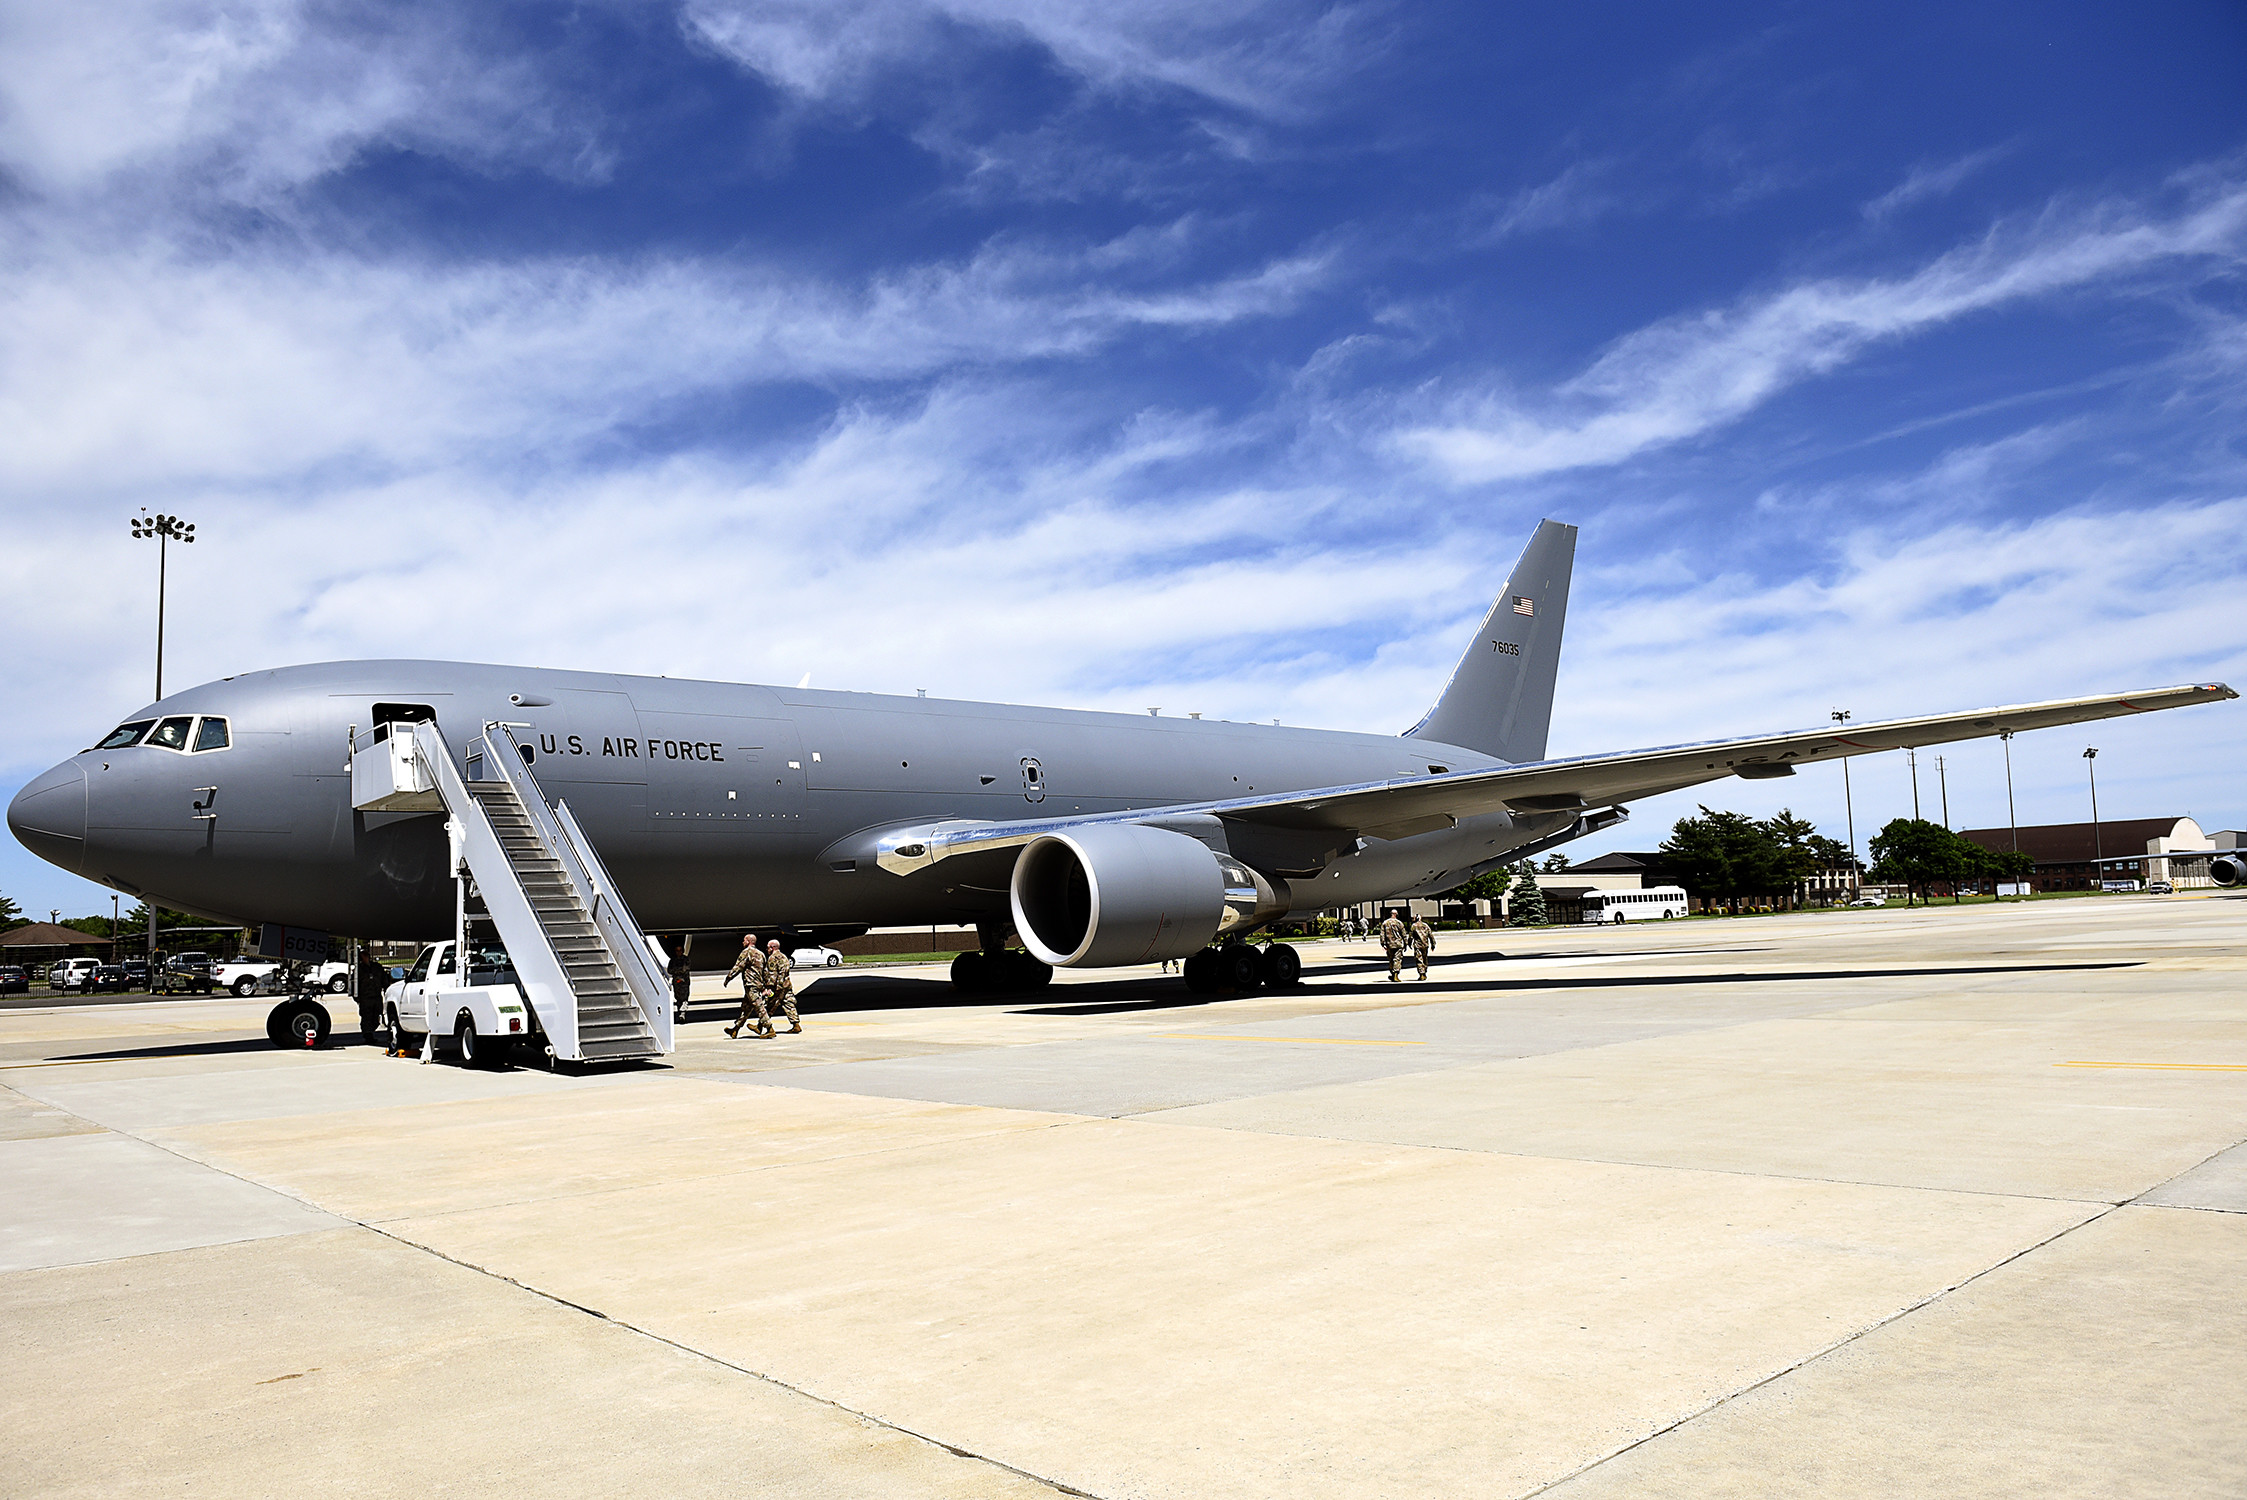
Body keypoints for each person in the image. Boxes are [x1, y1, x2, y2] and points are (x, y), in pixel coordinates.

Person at [725, 933, 770, 1038]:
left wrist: (729, 978)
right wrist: (766, 985)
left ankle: (769, 1029)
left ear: (749, 941)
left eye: (744, 940)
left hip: (751, 985)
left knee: (759, 1007)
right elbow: (765, 972)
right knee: (746, 1008)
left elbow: (738, 966)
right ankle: (735, 1029)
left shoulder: (746, 952)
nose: (743, 942)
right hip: (758, 984)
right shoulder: (761, 954)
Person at [762, 938, 802, 1034]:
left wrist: (769, 988)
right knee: (789, 1003)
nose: (767, 950)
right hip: (786, 985)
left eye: (768, 948)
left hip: (777, 987)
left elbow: (773, 975)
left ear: (772, 948)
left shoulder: (772, 958)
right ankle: (796, 1024)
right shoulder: (784, 957)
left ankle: (761, 1025)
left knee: (769, 1005)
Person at [666, 942, 693, 1023]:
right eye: (677, 950)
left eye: (680, 950)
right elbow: (669, 970)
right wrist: (678, 971)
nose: (678, 952)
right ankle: (680, 1013)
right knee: (678, 999)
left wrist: (677, 971)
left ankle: (683, 1013)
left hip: (684, 983)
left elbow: (685, 969)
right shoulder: (673, 960)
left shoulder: (686, 959)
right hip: (676, 983)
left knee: (684, 999)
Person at [1379, 909, 1407, 982]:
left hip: (1389, 944)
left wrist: (1383, 943)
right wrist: (1406, 943)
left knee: (1391, 960)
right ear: (1396, 914)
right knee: (1397, 959)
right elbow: (1404, 934)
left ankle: (1392, 973)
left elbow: (1382, 934)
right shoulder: (1399, 923)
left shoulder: (1385, 923)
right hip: (1398, 944)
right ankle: (1395, 975)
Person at [1409, 914, 1435, 980]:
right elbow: (1431, 935)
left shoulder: (1414, 926)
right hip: (1425, 945)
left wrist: (1409, 943)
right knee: (1425, 959)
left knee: (1419, 959)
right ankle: (1424, 972)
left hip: (1417, 945)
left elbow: (1410, 936)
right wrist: (1433, 944)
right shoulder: (1425, 925)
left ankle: (1421, 973)